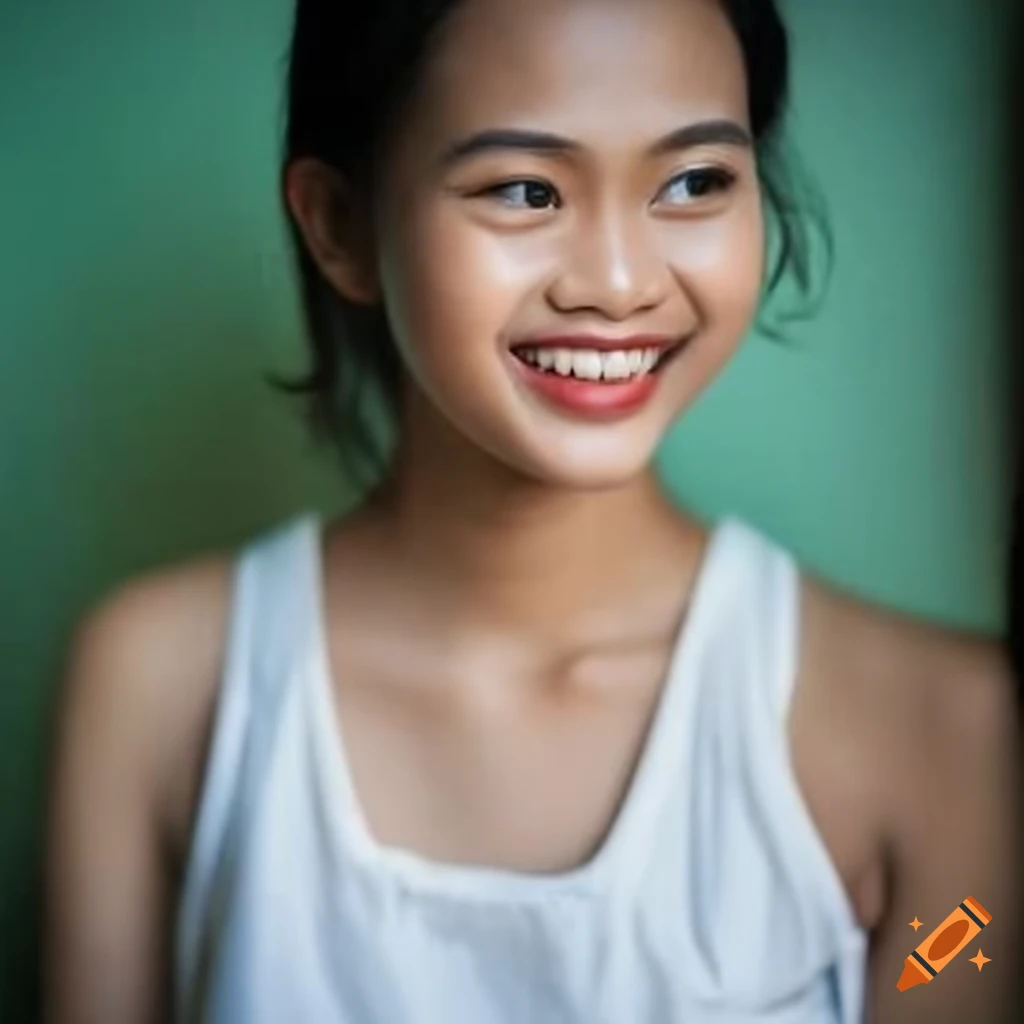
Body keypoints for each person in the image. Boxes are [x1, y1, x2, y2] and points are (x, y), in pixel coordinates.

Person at [44, 1, 1020, 1022]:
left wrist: (933, 954)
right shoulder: (159, 687)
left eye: (694, 182)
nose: (619, 284)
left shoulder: (948, 731)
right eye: (524, 190)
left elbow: (956, 947)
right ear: (339, 225)